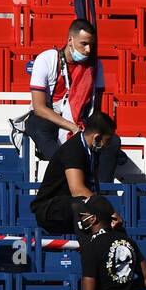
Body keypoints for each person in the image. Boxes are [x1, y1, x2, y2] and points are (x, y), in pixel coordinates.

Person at [14, 18, 119, 181]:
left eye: (91, 45)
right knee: (36, 125)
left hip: (80, 118)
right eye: (83, 44)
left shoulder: (95, 66)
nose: (88, 49)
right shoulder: (47, 59)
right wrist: (71, 126)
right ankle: (67, 170)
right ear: (70, 40)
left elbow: (95, 108)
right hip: (49, 117)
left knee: (112, 140)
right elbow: (39, 107)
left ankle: (100, 191)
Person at [28, 112, 117, 235]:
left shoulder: (92, 151)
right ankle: (90, 247)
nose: (109, 144)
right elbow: (78, 190)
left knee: (102, 216)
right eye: (108, 140)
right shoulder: (74, 149)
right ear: (97, 137)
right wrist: (108, 210)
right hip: (49, 209)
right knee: (86, 206)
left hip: (69, 205)